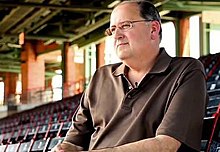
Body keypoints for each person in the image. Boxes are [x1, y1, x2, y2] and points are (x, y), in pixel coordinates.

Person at [52, 0, 208, 151]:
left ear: (153, 29)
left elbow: (166, 145)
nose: (116, 35)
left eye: (125, 26)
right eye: (113, 29)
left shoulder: (186, 71)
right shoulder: (101, 76)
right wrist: (64, 148)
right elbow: (74, 141)